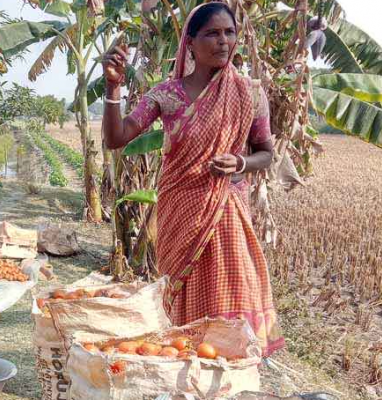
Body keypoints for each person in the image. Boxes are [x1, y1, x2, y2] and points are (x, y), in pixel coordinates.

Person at [101, 1, 284, 356]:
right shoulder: (167, 95)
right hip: (180, 212)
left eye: (229, 32)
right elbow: (116, 138)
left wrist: (240, 162)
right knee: (183, 300)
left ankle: (230, 371)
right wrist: (112, 90)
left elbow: (266, 153)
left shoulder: (249, 92)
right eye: (212, 33)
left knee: (234, 292)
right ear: (191, 41)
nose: (223, 41)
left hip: (227, 210)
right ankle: (187, 369)